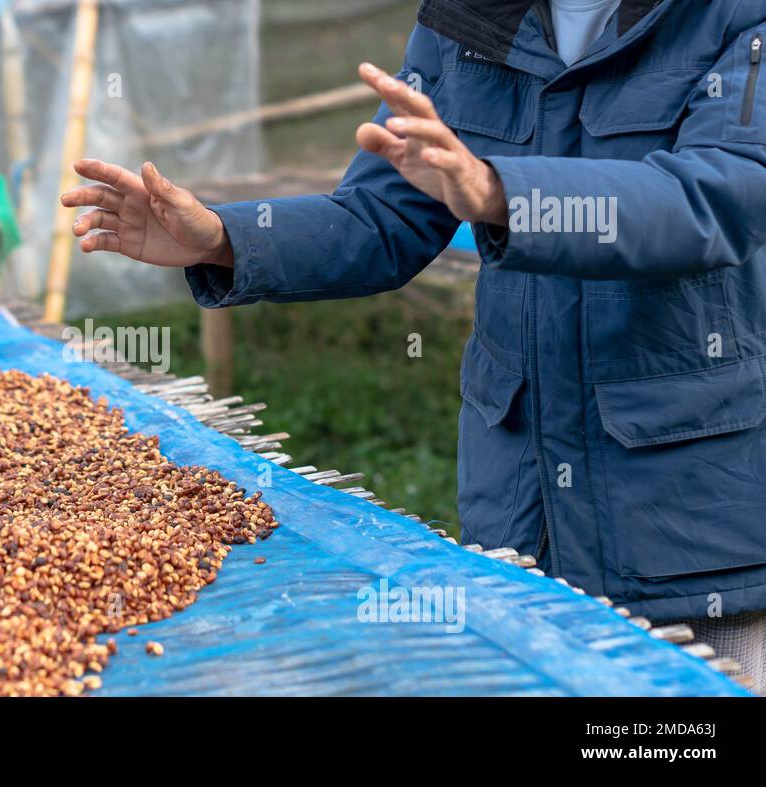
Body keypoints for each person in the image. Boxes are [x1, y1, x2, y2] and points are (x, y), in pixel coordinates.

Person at [60, 0, 766, 689]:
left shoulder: (735, 15)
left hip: (691, 523)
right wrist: (220, 239)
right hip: (521, 514)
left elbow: (712, 197)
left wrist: (500, 191)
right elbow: (381, 218)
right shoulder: (467, 19)